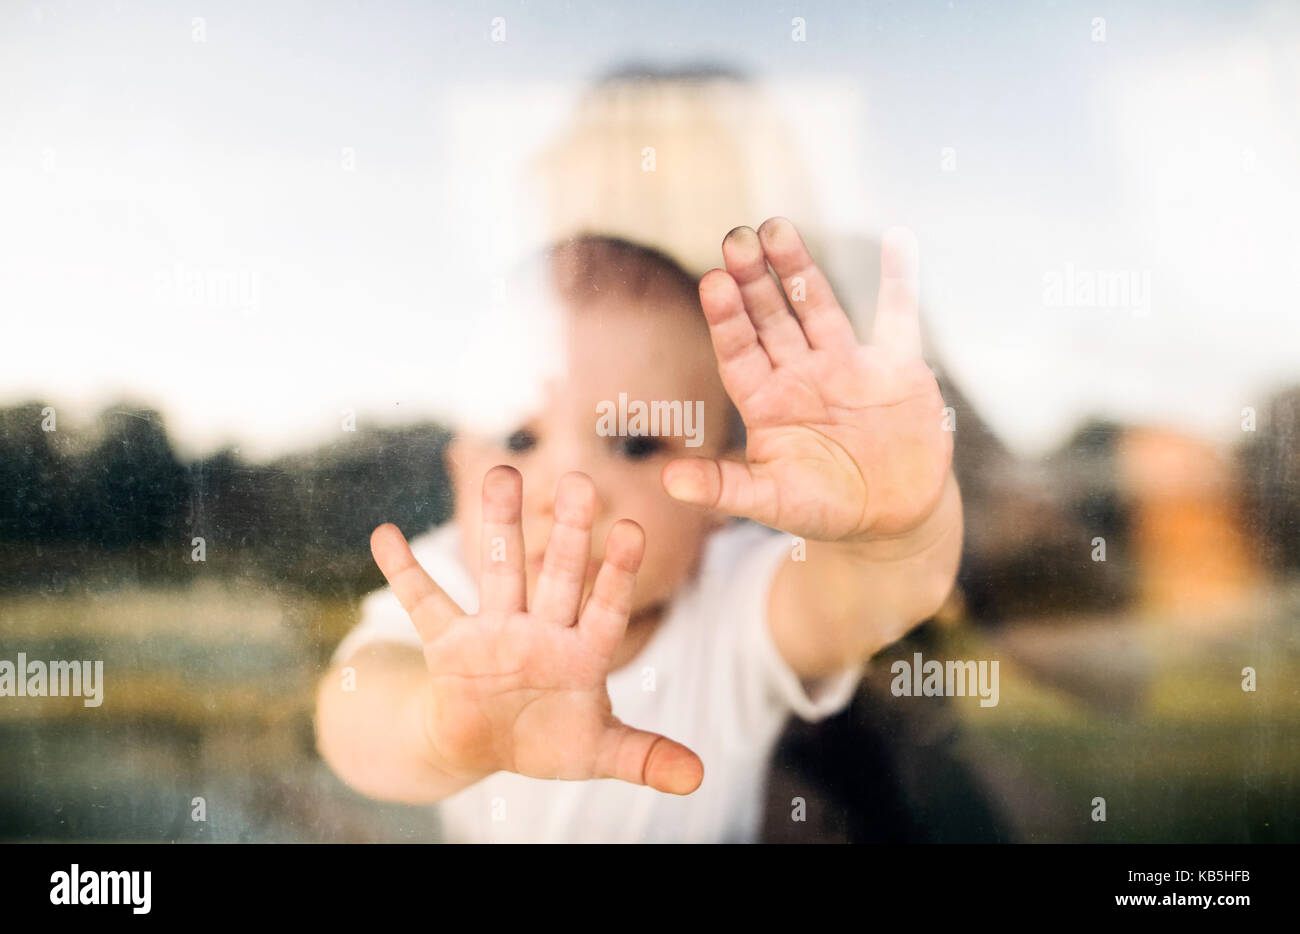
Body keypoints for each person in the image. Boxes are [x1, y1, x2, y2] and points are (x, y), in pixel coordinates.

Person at [314, 218, 963, 842]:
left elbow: (868, 597)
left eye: (633, 445)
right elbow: (353, 710)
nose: (569, 493)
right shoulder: (450, 588)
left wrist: (892, 528)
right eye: (518, 438)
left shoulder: (730, 599)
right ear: (459, 472)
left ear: (722, 493)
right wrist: (437, 728)